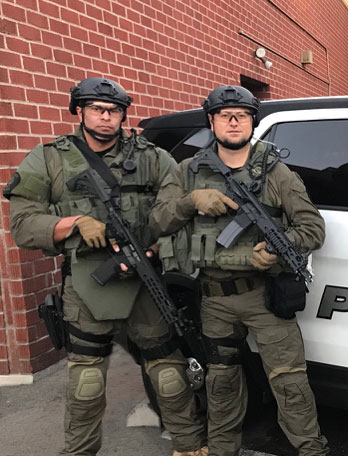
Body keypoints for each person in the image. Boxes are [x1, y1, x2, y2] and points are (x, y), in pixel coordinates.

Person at [2, 77, 207, 456]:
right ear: (79, 111)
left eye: (114, 110)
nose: (106, 117)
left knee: (168, 370)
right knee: (87, 381)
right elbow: (23, 225)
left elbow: (180, 215)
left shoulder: (153, 158)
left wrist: (157, 249)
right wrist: (74, 224)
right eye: (97, 109)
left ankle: (190, 445)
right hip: (86, 283)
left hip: (145, 280)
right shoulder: (49, 158)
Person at [149, 85, 329, 456]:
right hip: (214, 299)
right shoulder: (188, 172)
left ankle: (312, 449)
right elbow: (158, 222)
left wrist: (278, 249)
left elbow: (313, 228)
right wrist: (190, 201)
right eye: (225, 115)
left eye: (242, 115)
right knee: (222, 384)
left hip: (264, 297)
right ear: (211, 121)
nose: (234, 122)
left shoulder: (276, 172)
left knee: (290, 384)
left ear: (252, 121)